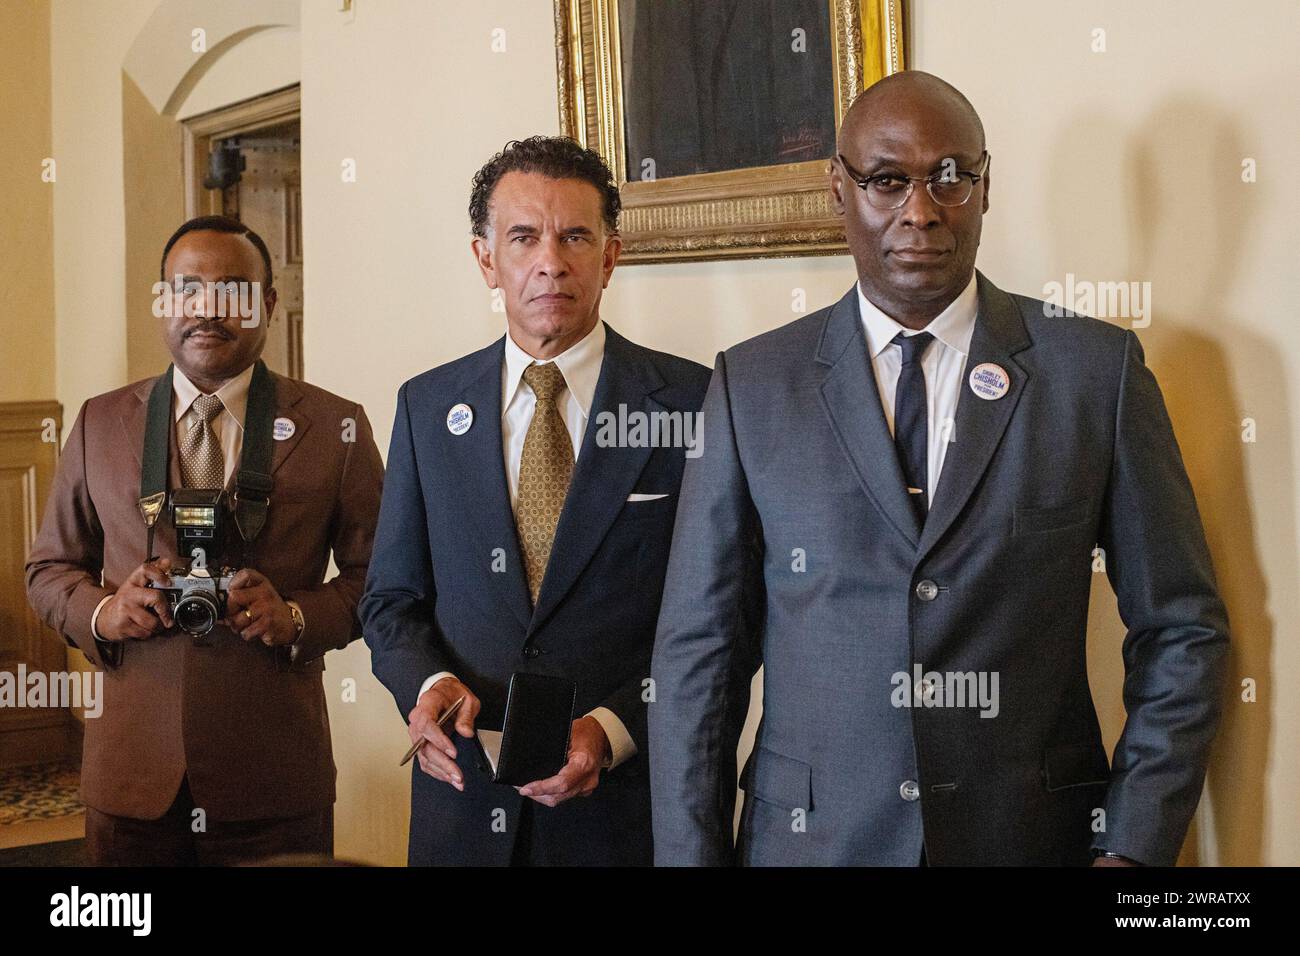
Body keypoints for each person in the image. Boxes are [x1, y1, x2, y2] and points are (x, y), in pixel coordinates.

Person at [648, 71, 1229, 866]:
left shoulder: (1096, 374)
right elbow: (699, 658)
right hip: (812, 843)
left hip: (1035, 841)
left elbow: (1182, 629)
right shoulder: (752, 387)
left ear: (985, 188)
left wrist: (1130, 848)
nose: (920, 211)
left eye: (950, 177)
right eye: (887, 180)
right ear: (839, 190)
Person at [361, 136, 711, 866]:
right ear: (486, 259)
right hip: (463, 806)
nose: (551, 260)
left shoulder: (694, 403)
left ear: (610, 256)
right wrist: (425, 685)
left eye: (575, 236)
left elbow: (716, 618)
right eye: (523, 237)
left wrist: (615, 728)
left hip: (624, 814)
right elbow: (391, 600)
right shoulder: (428, 407)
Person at [26, 215, 384, 865]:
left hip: (275, 776)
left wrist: (297, 615)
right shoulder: (98, 422)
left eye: (234, 290)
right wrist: (108, 612)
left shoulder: (337, 427)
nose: (207, 308)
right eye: (186, 288)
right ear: (163, 302)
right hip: (132, 779)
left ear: (269, 304)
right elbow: (49, 567)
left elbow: (383, 578)